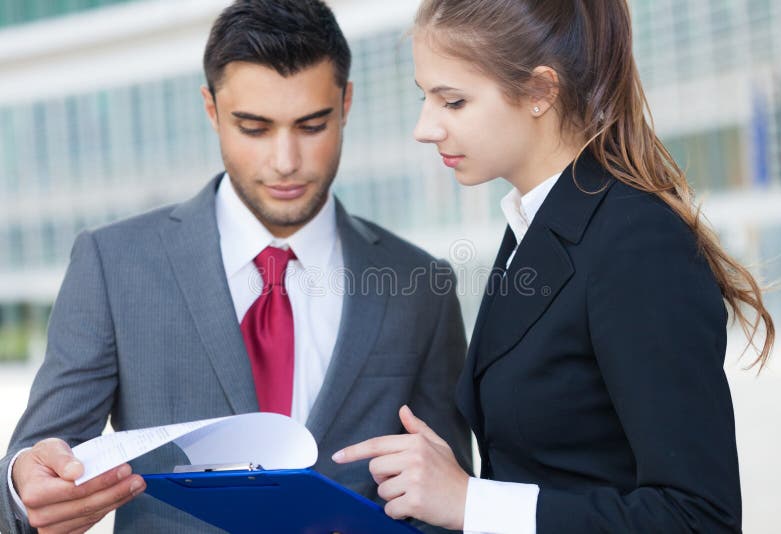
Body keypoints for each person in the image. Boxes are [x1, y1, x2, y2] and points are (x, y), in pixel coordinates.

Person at [0, 1, 472, 532]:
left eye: (312, 125)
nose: (285, 160)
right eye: (254, 128)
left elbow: (445, 503)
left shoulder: (420, 286)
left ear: (346, 103)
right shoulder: (114, 266)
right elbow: (38, 455)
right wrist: (23, 488)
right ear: (211, 110)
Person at [334, 0, 775, 532]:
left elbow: (698, 518)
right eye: (424, 96)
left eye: (452, 101)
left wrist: (471, 501)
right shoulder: (533, 222)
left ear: (541, 91)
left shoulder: (637, 242)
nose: (424, 128)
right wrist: (449, 482)